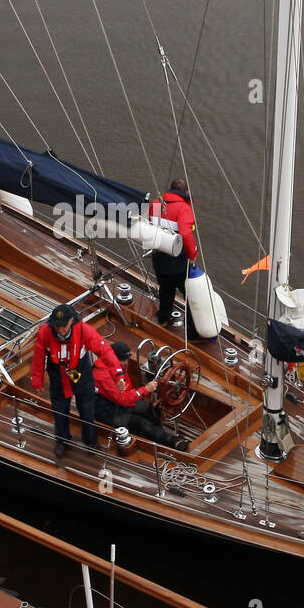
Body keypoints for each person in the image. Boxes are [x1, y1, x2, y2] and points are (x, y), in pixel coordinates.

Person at [31, 304, 126, 458]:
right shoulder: (45, 332)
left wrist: (118, 375)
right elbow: (38, 357)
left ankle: (91, 441)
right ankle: (62, 440)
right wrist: (37, 381)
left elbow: (105, 351)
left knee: (87, 410)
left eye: (63, 326)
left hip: (82, 375)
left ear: (70, 322)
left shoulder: (84, 330)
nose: (60, 330)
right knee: (60, 411)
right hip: (58, 377)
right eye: (57, 326)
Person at [94, 342, 188, 451]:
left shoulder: (117, 365)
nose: (126, 362)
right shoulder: (101, 376)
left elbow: (126, 391)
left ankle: (154, 434)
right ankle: (171, 440)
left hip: (121, 402)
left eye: (127, 359)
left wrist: (138, 394)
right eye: (123, 360)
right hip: (107, 412)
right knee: (138, 422)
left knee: (151, 408)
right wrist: (146, 389)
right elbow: (122, 399)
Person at [147, 179, 200, 336]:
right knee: (191, 297)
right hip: (178, 263)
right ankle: (192, 332)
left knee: (166, 291)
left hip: (159, 258)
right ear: (186, 192)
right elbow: (185, 233)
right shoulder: (184, 209)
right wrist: (193, 254)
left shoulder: (156, 204)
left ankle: (163, 320)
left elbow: (149, 226)